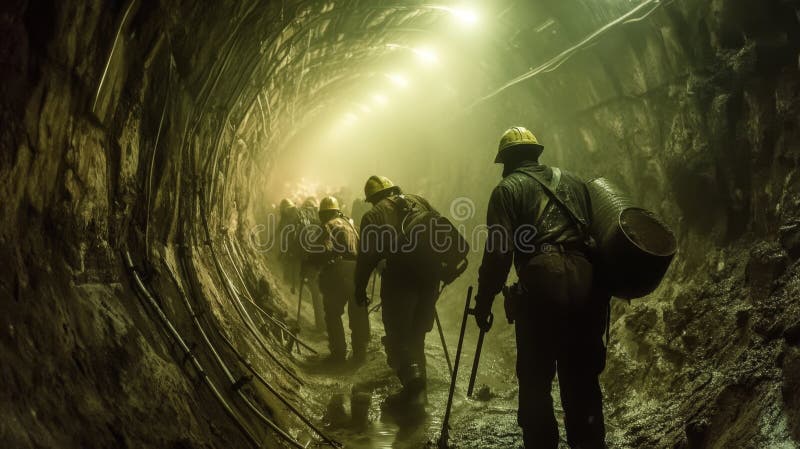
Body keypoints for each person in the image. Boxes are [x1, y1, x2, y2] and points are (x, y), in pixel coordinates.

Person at [474, 127, 609, 449]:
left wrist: (484, 299)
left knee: (535, 380)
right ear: (536, 153)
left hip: (543, 285)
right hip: (587, 283)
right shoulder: (574, 182)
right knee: (581, 379)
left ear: (504, 160)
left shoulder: (507, 190)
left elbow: (499, 250)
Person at [354, 175, 441, 407]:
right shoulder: (418, 201)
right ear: (393, 189)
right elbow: (440, 228)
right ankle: (418, 395)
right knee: (417, 336)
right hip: (430, 279)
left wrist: (359, 288)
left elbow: (366, 257)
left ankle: (414, 391)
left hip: (399, 281)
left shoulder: (373, 215)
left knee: (398, 339)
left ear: (372, 198)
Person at [306, 196, 370, 365]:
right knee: (358, 313)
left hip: (337, 272)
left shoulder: (328, 226)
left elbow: (323, 250)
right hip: (358, 271)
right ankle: (360, 353)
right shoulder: (352, 225)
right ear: (338, 211)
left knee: (333, 313)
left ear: (323, 214)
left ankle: (338, 353)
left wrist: (311, 263)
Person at [298, 196, 326, 332]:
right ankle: (325, 325)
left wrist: (304, 270)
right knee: (322, 295)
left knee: (318, 295)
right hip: (323, 264)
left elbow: (304, 249)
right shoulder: (323, 222)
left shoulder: (306, 225)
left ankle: (322, 326)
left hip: (314, 265)